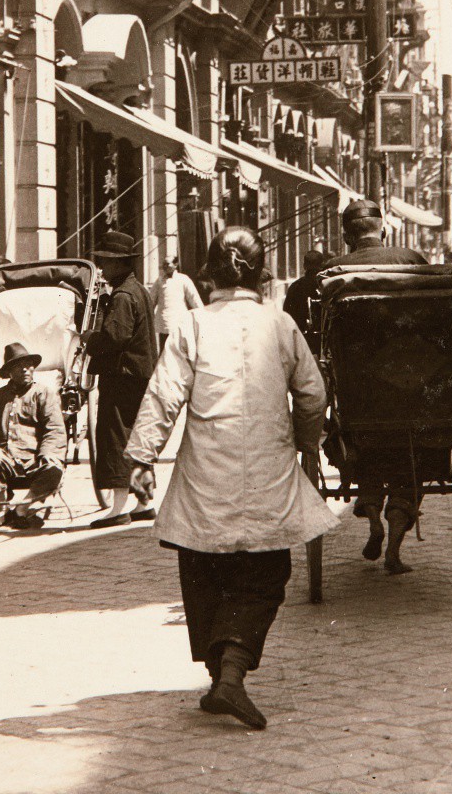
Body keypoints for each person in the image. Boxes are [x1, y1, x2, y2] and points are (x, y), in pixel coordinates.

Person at [124, 226, 337, 730]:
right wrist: (306, 442)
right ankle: (232, 676)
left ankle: (222, 676)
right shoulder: (280, 324)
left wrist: (142, 458)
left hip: (205, 475)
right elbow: (312, 394)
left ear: (210, 275)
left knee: (204, 571)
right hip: (268, 472)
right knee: (265, 574)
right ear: (261, 275)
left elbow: (164, 393)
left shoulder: (193, 325)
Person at [288, 199, 432, 570]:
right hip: (413, 387)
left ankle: (371, 513)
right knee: (412, 455)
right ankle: (395, 539)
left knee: (362, 441)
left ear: (347, 236)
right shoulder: (412, 260)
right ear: (382, 229)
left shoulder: (334, 270)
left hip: (360, 392)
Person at [88, 229, 160, 528]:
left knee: (116, 437)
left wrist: (89, 339)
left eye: (106, 261)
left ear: (120, 263)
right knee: (136, 437)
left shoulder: (122, 296)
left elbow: (114, 337)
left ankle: (118, 508)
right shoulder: (139, 290)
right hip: (139, 375)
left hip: (122, 376)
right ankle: (144, 502)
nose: (102, 267)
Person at [0, 342, 68, 530]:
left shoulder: (44, 393)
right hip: (6, 458)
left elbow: (54, 430)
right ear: (9, 372)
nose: (25, 369)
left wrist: (47, 456)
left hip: (35, 459)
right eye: (18, 366)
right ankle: (2, 509)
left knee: (54, 470)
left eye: (28, 365)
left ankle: (22, 508)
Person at [154, 254, 204, 352]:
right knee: (165, 351)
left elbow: (194, 299)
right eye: (163, 264)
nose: (164, 266)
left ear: (175, 265)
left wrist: (203, 315)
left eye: (167, 264)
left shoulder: (183, 279)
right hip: (164, 324)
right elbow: (151, 300)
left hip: (179, 323)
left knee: (180, 352)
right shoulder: (159, 281)